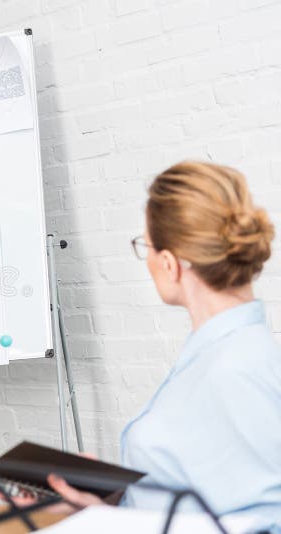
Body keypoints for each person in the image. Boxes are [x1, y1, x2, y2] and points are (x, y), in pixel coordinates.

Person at [41, 162, 281, 531]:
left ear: (170, 264)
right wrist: (104, 505)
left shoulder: (238, 369)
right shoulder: (218, 351)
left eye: (147, 247)